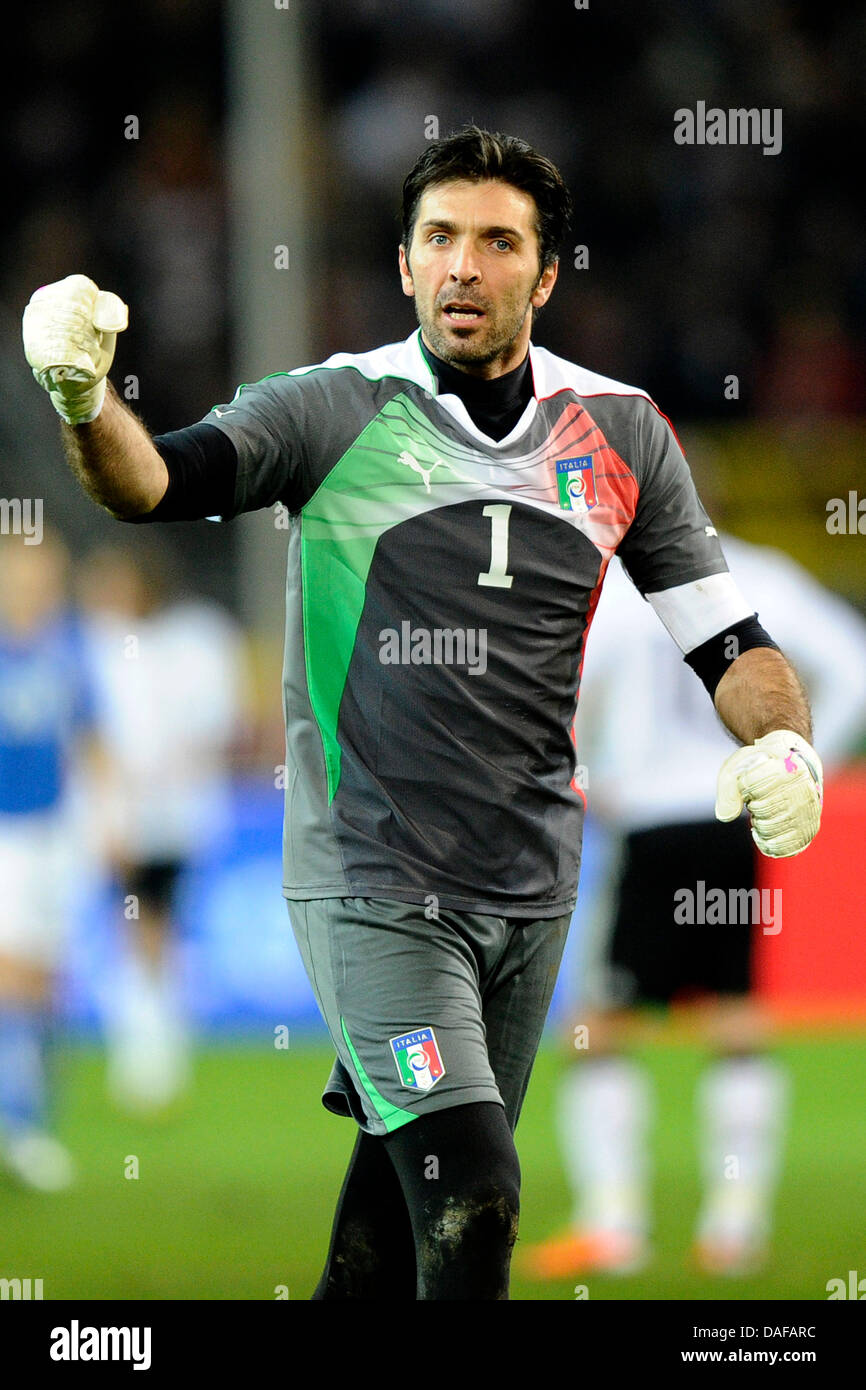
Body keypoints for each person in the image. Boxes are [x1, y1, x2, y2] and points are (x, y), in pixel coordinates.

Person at [22, 126, 824, 1300]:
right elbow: (151, 483)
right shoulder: (329, 411)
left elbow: (732, 644)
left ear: (544, 276)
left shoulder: (622, 432)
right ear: (402, 265)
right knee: (475, 1194)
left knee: (395, 1223)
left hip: (532, 885)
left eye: (497, 243)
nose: (462, 266)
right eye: (437, 239)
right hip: (372, 878)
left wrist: (783, 739)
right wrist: (83, 396)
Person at [519, 538, 866, 1280]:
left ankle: (613, 1222)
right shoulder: (763, 572)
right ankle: (735, 1227)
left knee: (598, 1028)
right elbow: (853, 664)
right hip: (731, 821)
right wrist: (797, 768)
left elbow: (559, 693)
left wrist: (588, 775)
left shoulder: (618, 585)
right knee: (737, 1014)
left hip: (651, 824)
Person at [76, 540, 247, 1114]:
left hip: (173, 815)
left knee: (155, 927)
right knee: (139, 928)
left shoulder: (189, 639)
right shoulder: (94, 645)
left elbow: (213, 724)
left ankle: (153, 1053)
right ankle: (147, 1052)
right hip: (116, 814)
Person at [0, 530, 101, 1190]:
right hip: (4, 833)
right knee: (12, 975)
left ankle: (34, 1116)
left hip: (55, 834)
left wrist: (106, 823)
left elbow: (92, 736)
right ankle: (22, 1124)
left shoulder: (69, 647)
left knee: (46, 981)